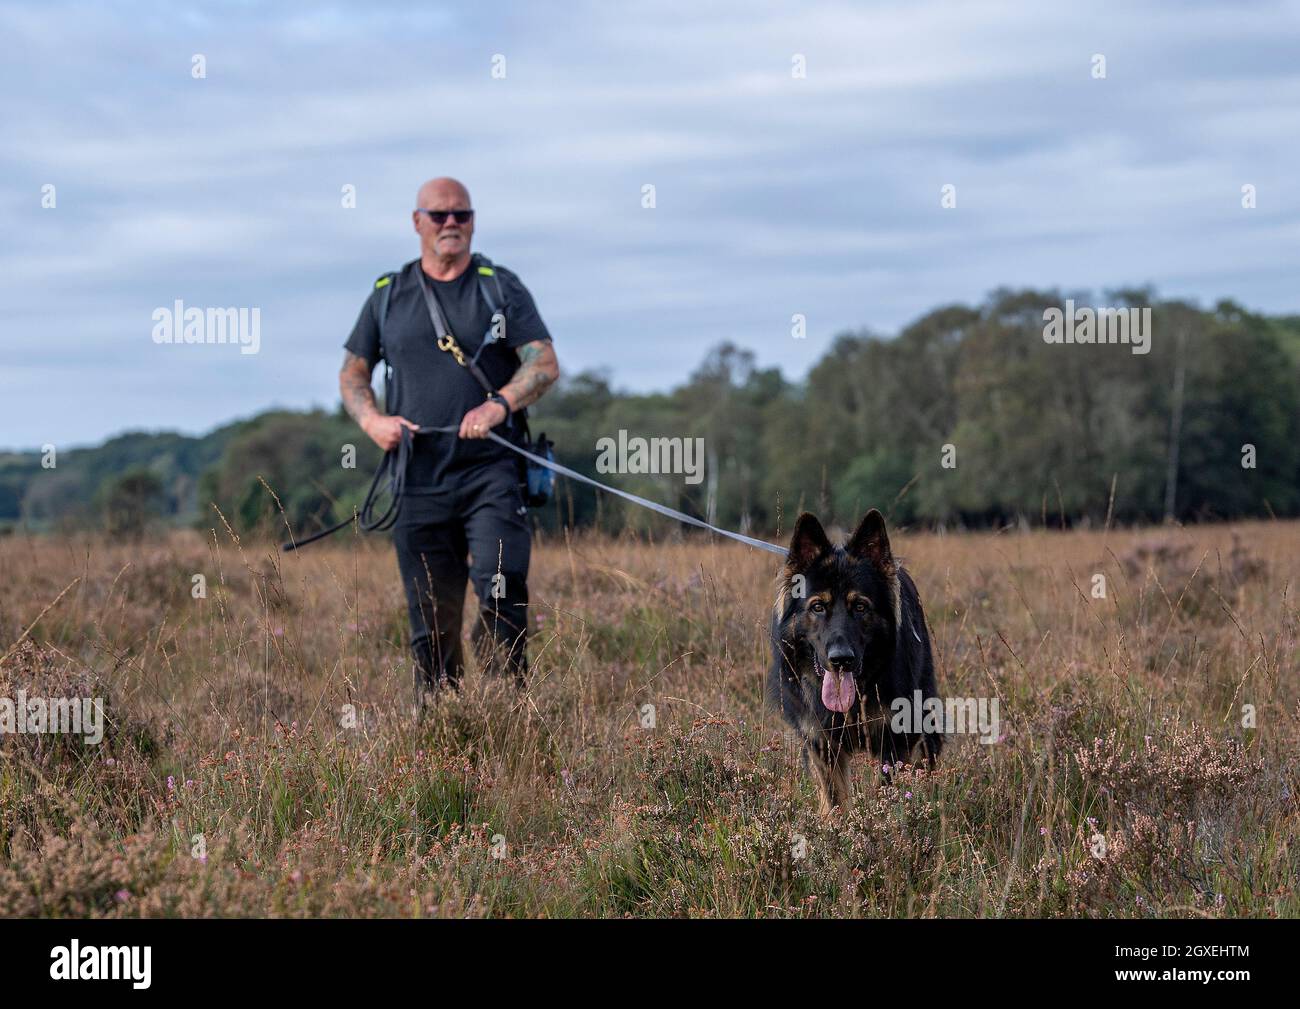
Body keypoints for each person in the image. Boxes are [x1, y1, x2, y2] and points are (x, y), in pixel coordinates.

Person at [339, 177, 559, 707]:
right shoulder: (388, 297)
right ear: (417, 223)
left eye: (461, 214)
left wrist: (498, 404)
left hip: (493, 470)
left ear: (474, 220)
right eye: (439, 216)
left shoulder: (499, 288)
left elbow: (544, 363)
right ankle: (442, 729)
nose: (451, 224)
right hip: (418, 477)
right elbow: (353, 375)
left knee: (503, 586)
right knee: (430, 620)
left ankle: (509, 713)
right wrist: (374, 423)